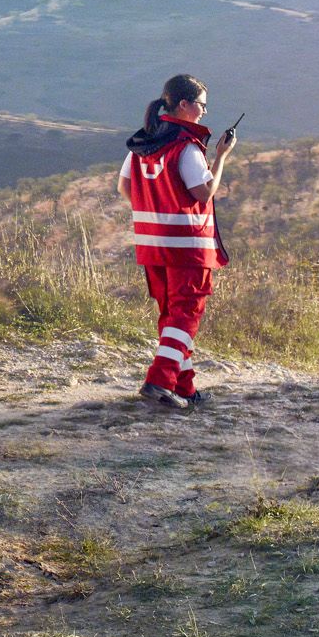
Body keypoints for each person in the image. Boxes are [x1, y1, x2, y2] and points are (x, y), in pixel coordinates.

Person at [120, 73, 231, 409]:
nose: (204, 113)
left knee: (170, 316)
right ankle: (159, 380)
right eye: (201, 105)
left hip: (151, 244)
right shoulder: (185, 147)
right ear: (184, 105)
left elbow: (125, 188)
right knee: (186, 315)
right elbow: (204, 192)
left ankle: (184, 388)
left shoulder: (143, 144)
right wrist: (222, 156)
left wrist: (154, 208)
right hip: (188, 246)